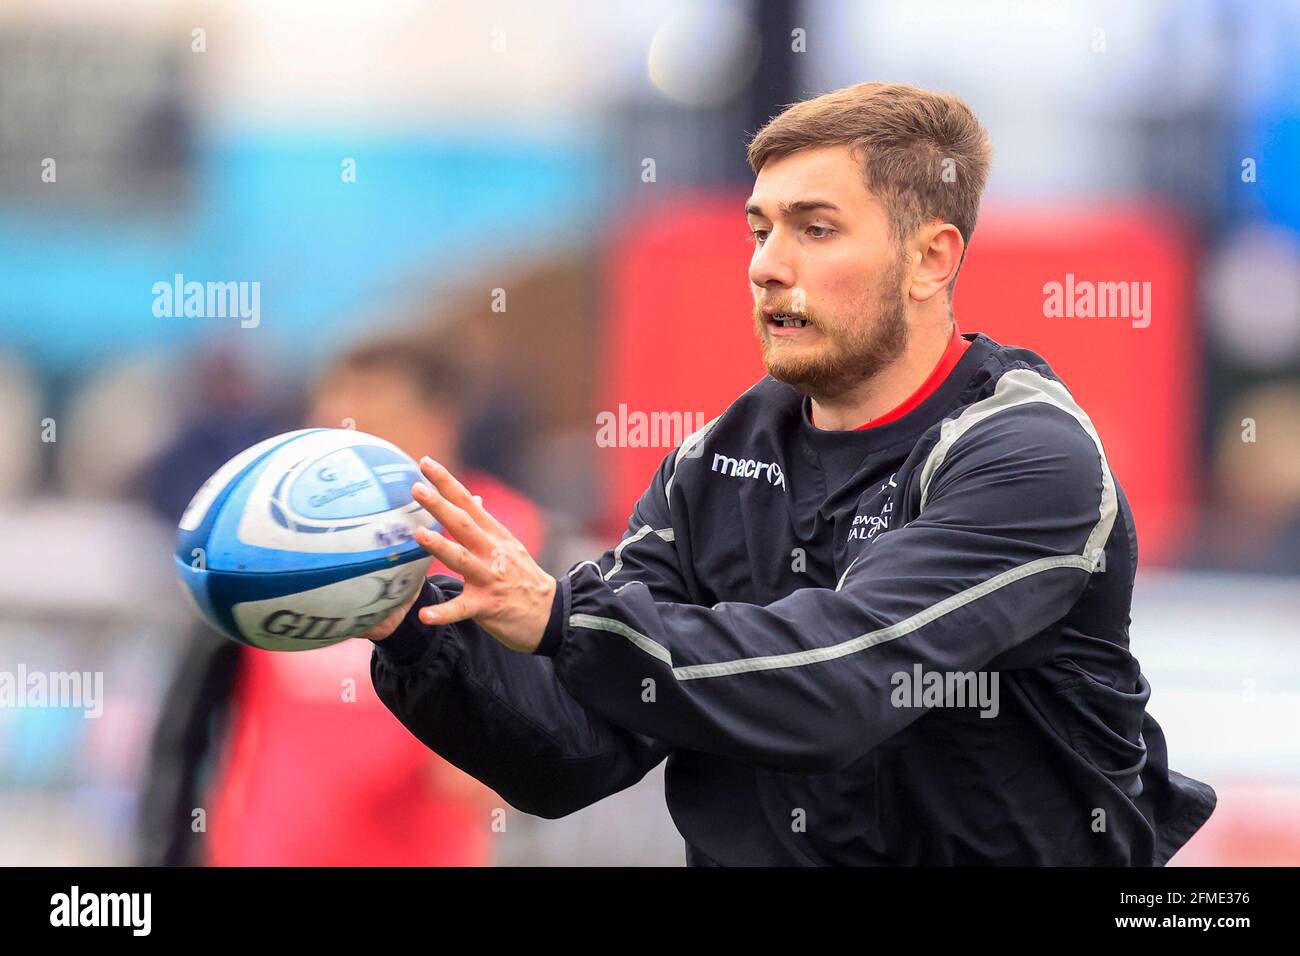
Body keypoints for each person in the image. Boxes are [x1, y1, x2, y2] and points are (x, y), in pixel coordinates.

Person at [362, 82, 1216, 865]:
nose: (767, 263)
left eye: (815, 228)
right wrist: (410, 630)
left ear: (931, 259)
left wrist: (561, 615)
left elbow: (845, 679)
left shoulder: (1029, 457)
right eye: (758, 228)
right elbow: (576, 753)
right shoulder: (710, 468)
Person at [138, 336, 545, 866]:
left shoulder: (501, 536)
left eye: (371, 426)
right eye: (328, 426)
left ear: (437, 425)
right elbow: (186, 724)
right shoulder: (265, 540)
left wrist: (501, 747)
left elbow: (543, 719)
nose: (336, 454)